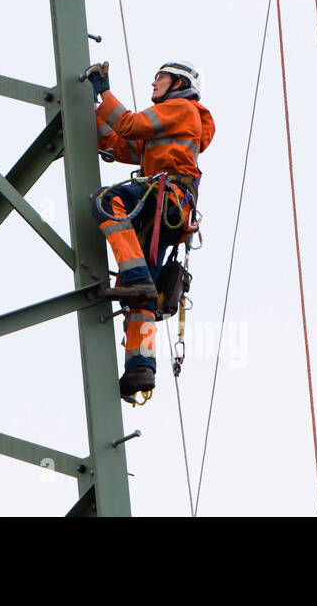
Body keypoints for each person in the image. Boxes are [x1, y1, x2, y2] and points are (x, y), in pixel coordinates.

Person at [82, 60, 215, 401]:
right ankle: (140, 369)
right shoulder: (167, 127)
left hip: (165, 200)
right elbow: (118, 143)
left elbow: (128, 124)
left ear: (179, 84)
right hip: (166, 212)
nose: (154, 82)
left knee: (106, 201)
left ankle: (136, 272)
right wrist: (91, 110)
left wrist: (103, 91)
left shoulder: (182, 109)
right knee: (139, 295)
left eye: (162, 78)